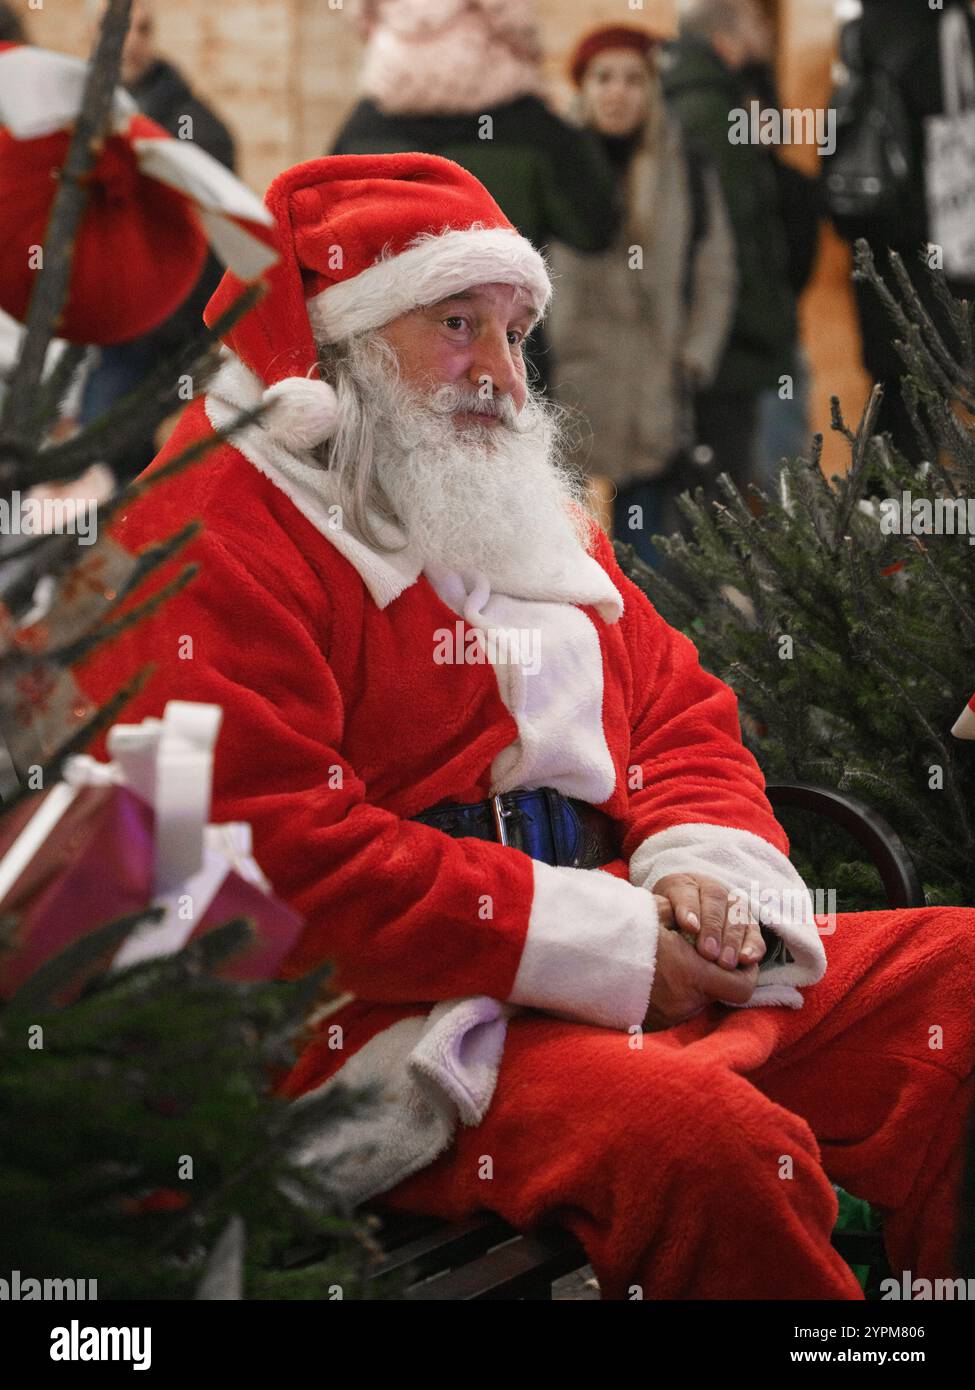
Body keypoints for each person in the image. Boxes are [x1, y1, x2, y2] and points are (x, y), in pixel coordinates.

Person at [78, 151, 975, 1300]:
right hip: (394, 1024)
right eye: (459, 323)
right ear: (338, 344)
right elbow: (269, 857)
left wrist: (702, 875)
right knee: (704, 1145)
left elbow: (677, 714)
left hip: (628, 953)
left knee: (955, 987)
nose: (502, 373)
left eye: (513, 330)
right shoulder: (212, 526)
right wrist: (606, 944)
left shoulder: (508, 500)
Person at [331, 0, 620, 396]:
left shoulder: (362, 129)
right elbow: (595, 229)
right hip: (509, 366)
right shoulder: (535, 129)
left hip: (390, 377)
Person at [546, 22, 736, 566]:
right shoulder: (556, 162)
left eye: (633, 78)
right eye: (603, 77)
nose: (617, 91)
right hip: (568, 383)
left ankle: (644, 648)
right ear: (584, 85)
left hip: (652, 386)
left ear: (651, 88)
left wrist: (694, 357)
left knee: (647, 562)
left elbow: (715, 269)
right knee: (562, 557)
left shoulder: (685, 164)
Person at [77, 0, 237, 482]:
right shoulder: (81, 120)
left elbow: (211, 251)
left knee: (120, 451)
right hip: (100, 328)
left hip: (159, 333)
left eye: (140, 28)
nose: (129, 41)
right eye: (113, 28)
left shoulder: (197, 131)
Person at [823, 0, 975, 461]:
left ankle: (883, 524)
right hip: (940, 248)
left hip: (879, 252)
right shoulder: (943, 27)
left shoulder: (866, 27)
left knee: (896, 414)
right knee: (927, 407)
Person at [663, 0, 798, 504]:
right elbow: (741, 231)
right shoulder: (713, 111)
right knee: (723, 488)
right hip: (728, 340)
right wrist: (768, 326)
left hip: (710, 331)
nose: (763, 33)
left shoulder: (698, 98)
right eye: (754, 24)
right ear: (725, 38)